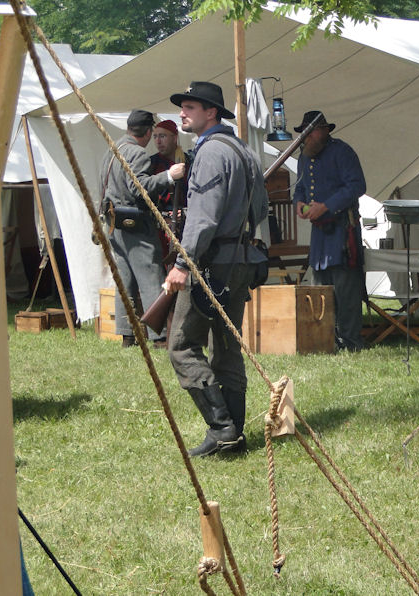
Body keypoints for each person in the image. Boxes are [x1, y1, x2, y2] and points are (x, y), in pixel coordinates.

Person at [165, 81, 268, 457]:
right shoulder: (244, 151)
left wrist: (181, 263)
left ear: (211, 112)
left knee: (181, 345)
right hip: (240, 259)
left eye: (190, 106)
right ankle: (234, 433)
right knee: (227, 346)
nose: (182, 113)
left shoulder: (210, 154)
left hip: (211, 264)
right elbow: (261, 210)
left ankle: (223, 429)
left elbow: (203, 220)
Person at [99, 109, 185, 348]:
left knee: (125, 282)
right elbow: (140, 188)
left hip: (115, 225)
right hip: (135, 226)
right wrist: (169, 175)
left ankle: (127, 335)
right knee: (151, 279)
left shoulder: (111, 150)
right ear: (148, 132)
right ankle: (159, 338)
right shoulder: (137, 154)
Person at [293, 110, 367, 351]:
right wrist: (299, 205)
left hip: (342, 230)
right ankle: (326, 339)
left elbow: (357, 186)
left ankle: (350, 342)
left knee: (346, 288)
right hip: (320, 235)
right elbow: (300, 189)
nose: (307, 137)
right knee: (321, 287)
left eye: (311, 132)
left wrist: (326, 206)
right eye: (305, 133)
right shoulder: (304, 157)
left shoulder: (342, 152)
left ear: (324, 131)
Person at [150, 120, 189, 258]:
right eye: (155, 136)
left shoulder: (189, 161)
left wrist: (184, 213)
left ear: (174, 137)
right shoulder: (151, 163)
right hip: (161, 229)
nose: (158, 141)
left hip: (186, 228)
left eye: (163, 136)